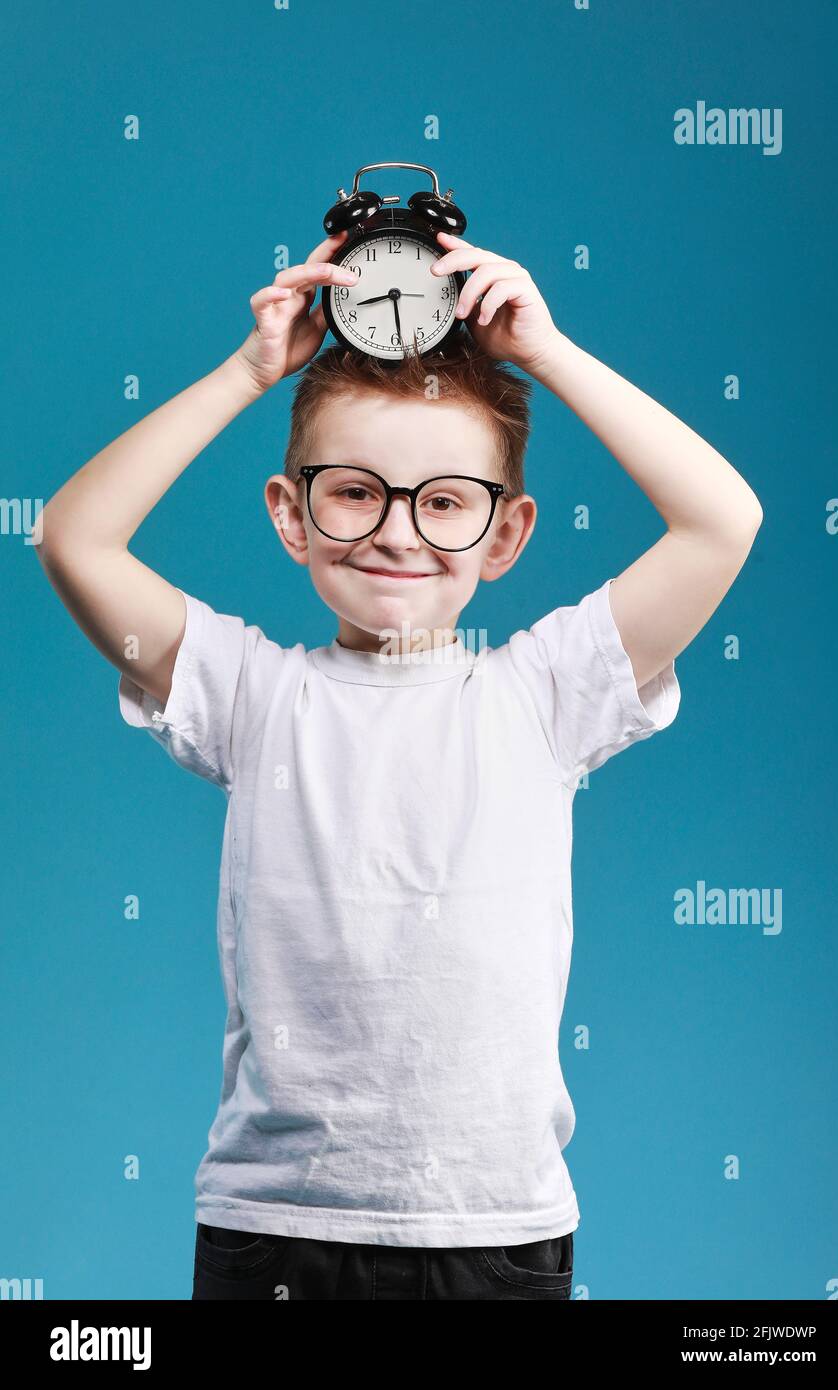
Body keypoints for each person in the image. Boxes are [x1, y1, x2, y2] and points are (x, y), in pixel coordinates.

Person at [33, 226, 762, 1301]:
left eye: (445, 500)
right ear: (290, 512)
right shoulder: (251, 694)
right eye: (353, 490)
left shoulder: (542, 693)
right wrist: (249, 371)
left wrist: (545, 357)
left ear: (504, 535)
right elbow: (74, 538)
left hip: (494, 1229)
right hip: (272, 1222)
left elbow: (720, 520)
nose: (396, 531)